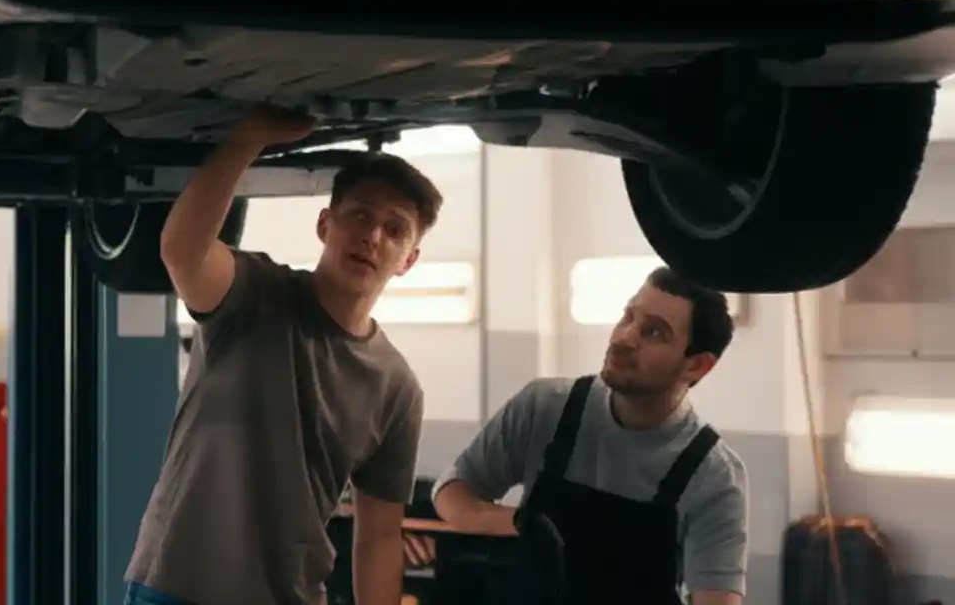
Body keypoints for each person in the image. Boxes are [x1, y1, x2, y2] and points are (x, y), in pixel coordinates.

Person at [124, 104, 445, 605]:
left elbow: (379, 535)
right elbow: (181, 249)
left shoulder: (396, 387)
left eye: (395, 229)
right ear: (325, 225)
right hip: (177, 587)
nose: (372, 236)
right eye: (359, 214)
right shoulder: (252, 293)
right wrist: (248, 137)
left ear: (408, 259)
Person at [432, 267, 748, 605]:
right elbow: (452, 492)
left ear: (696, 366)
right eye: (628, 316)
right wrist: (523, 525)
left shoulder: (714, 475)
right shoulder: (545, 407)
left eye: (653, 332)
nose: (625, 337)